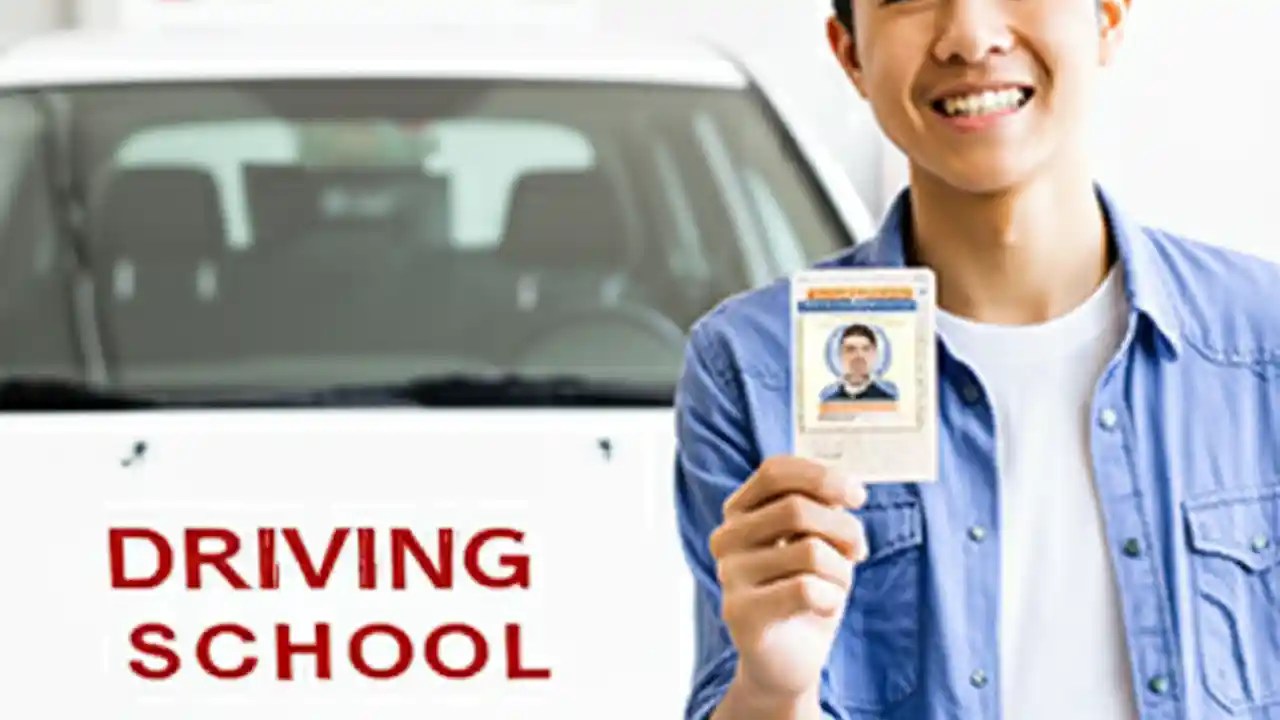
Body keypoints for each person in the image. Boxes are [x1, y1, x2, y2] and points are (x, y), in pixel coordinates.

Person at [672, 1, 1280, 719]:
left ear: (1108, 16)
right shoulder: (752, 367)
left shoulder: (1261, 346)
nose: (969, 35)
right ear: (850, 55)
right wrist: (775, 689)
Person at [819, 324, 897, 403]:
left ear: (874, 354)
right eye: (850, 349)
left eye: (865, 349)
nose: (859, 355)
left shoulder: (886, 400)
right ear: (840, 354)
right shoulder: (830, 401)